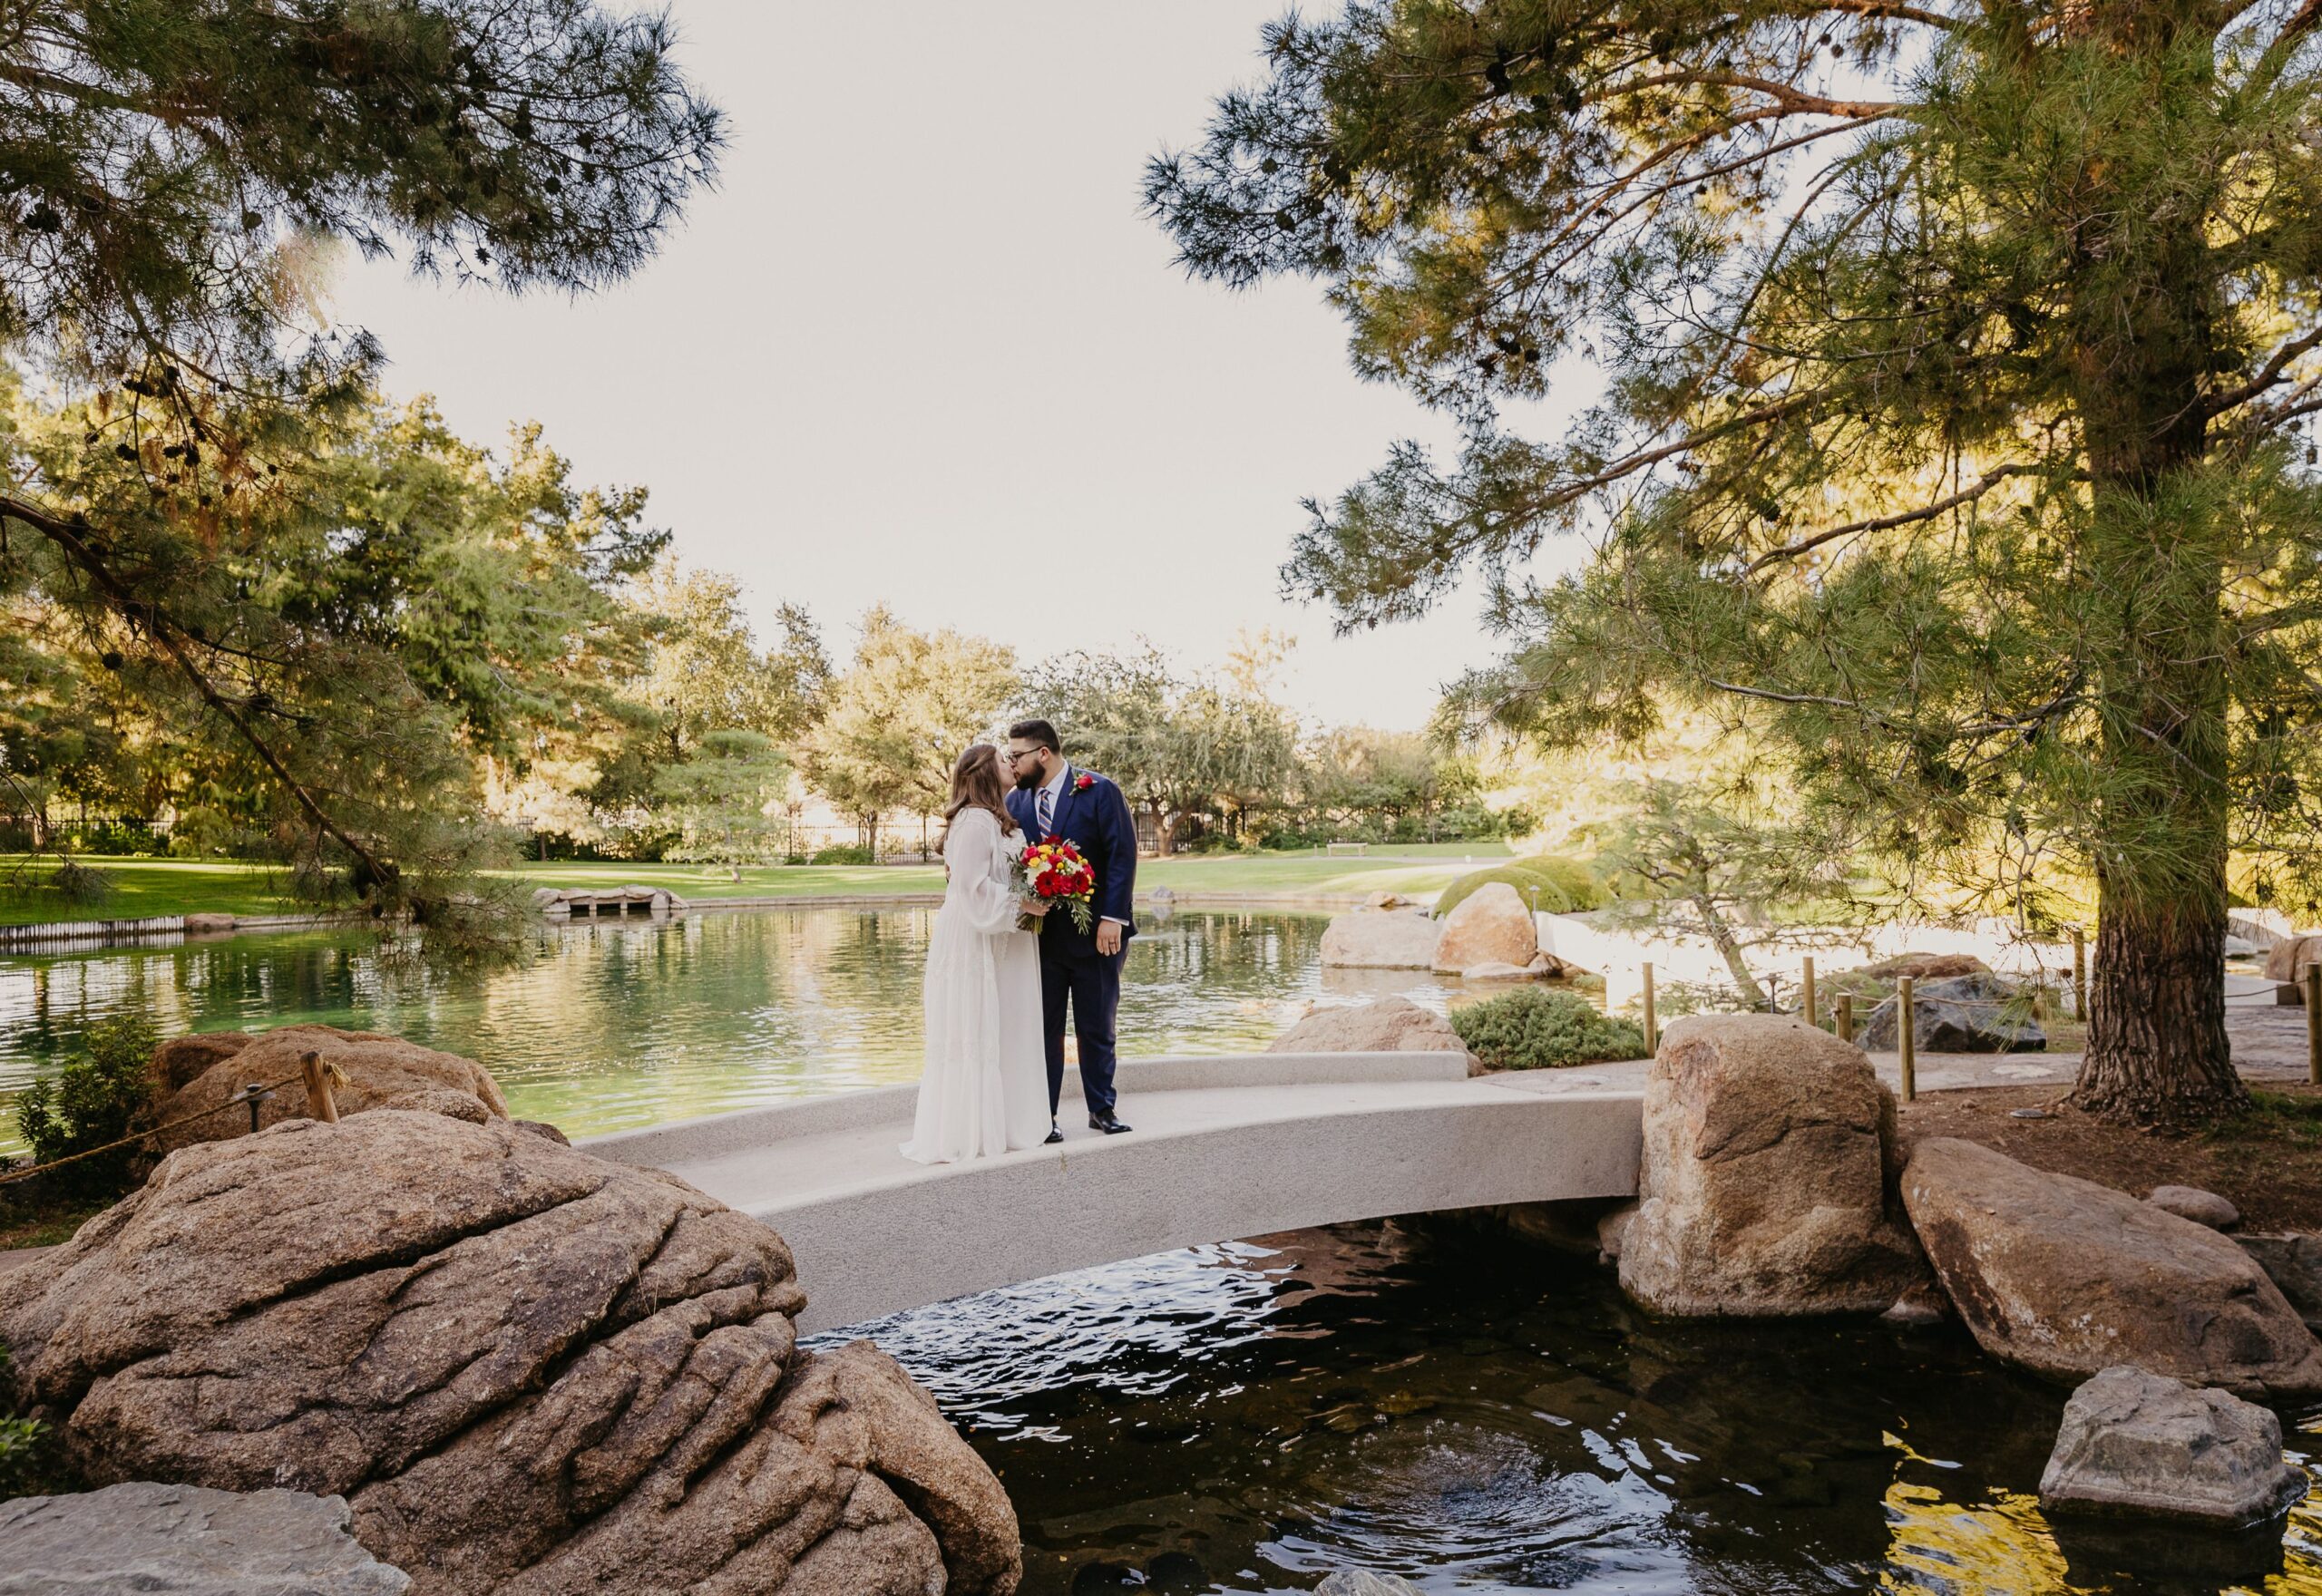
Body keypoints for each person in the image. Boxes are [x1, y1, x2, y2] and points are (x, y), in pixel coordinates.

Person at [901, 744, 1052, 1163]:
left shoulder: (1002, 822)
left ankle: (1008, 1123)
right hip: (975, 938)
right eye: (1002, 758)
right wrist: (1022, 903)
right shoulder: (972, 822)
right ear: (983, 771)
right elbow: (971, 889)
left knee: (1007, 1024)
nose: (1010, 761)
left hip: (1007, 938)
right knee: (977, 1026)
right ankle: (971, 1128)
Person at [1003, 717, 1137, 1142]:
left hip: (1098, 934)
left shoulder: (1099, 790)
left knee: (1097, 1025)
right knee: (1044, 1030)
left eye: (1017, 756)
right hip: (1039, 939)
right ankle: (1046, 1117)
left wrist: (1112, 918)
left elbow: (1122, 855)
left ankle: (1102, 1108)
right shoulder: (1015, 802)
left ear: (1043, 753)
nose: (1012, 764)